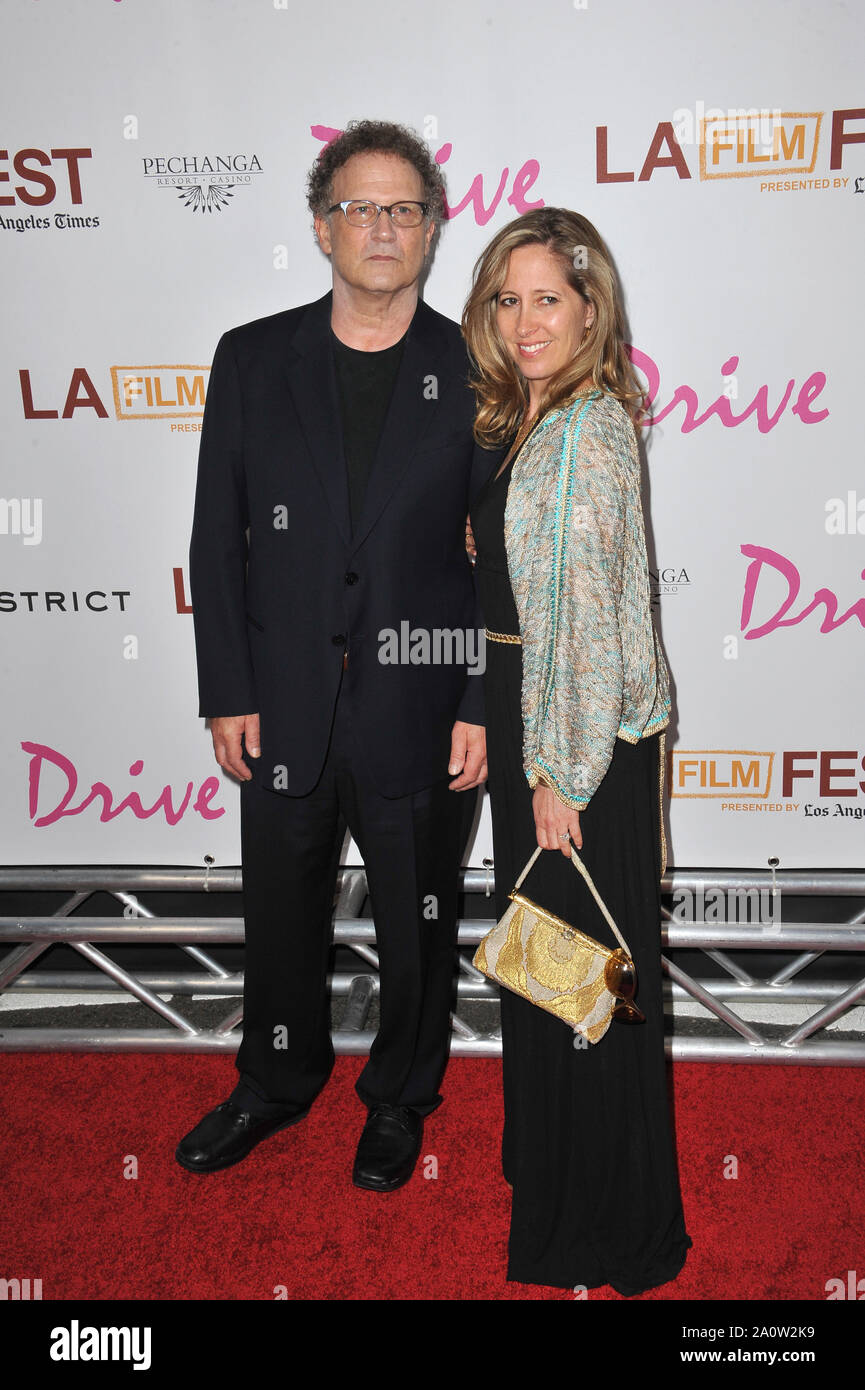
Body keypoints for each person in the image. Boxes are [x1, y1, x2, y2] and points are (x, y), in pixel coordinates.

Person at [177, 120, 491, 1191]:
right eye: (359, 206)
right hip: (284, 696)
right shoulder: (253, 356)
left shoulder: (476, 366)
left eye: (404, 207)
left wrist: (482, 702)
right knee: (279, 912)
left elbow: (499, 560)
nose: (382, 227)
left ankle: (400, 1096)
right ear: (321, 226)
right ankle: (273, 1080)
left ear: (433, 229)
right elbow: (215, 537)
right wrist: (227, 687)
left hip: (425, 695)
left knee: (418, 918)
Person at [462, 207, 692, 1294]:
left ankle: (604, 1232)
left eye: (546, 297)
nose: (524, 320)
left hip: (575, 733)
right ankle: (559, 1187)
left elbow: (593, 618)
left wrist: (559, 770)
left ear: (590, 308)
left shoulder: (591, 426)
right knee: (553, 978)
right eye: (507, 299)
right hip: (534, 711)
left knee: (584, 983)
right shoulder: (531, 413)